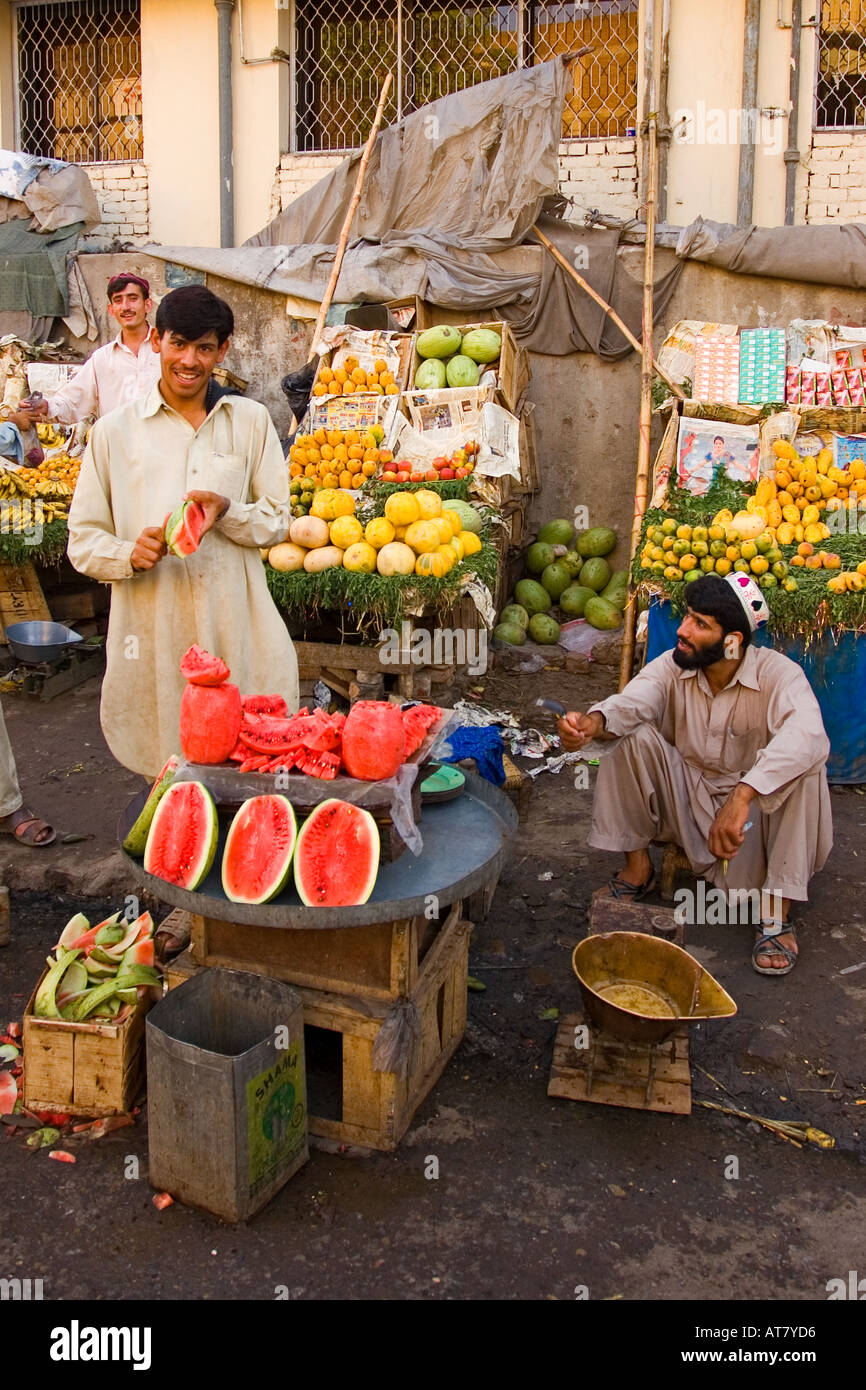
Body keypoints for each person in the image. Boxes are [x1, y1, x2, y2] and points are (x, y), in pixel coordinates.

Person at [66, 284, 298, 780]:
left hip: (237, 627)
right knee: (165, 769)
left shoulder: (251, 422)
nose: (190, 360)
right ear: (156, 341)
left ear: (223, 350)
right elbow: (83, 540)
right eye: (178, 344)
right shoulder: (113, 433)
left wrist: (229, 512)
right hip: (153, 635)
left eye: (205, 347)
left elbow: (277, 520)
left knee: (247, 771)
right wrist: (129, 552)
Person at [558, 573, 832, 976]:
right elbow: (634, 701)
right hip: (686, 800)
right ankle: (638, 869)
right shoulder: (672, 666)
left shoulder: (780, 675)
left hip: (753, 821)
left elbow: (809, 735)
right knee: (627, 734)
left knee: (805, 768)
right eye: (687, 617)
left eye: (701, 624)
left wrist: (743, 795)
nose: (683, 631)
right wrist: (593, 723)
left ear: (734, 640)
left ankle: (775, 911)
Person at [30, 273, 161, 423]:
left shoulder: (167, 350)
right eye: (118, 300)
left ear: (148, 305)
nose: (125, 307)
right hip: (118, 444)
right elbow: (72, 402)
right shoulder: (102, 358)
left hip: (162, 443)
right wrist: (46, 406)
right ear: (111, 310)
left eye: (133, 298)